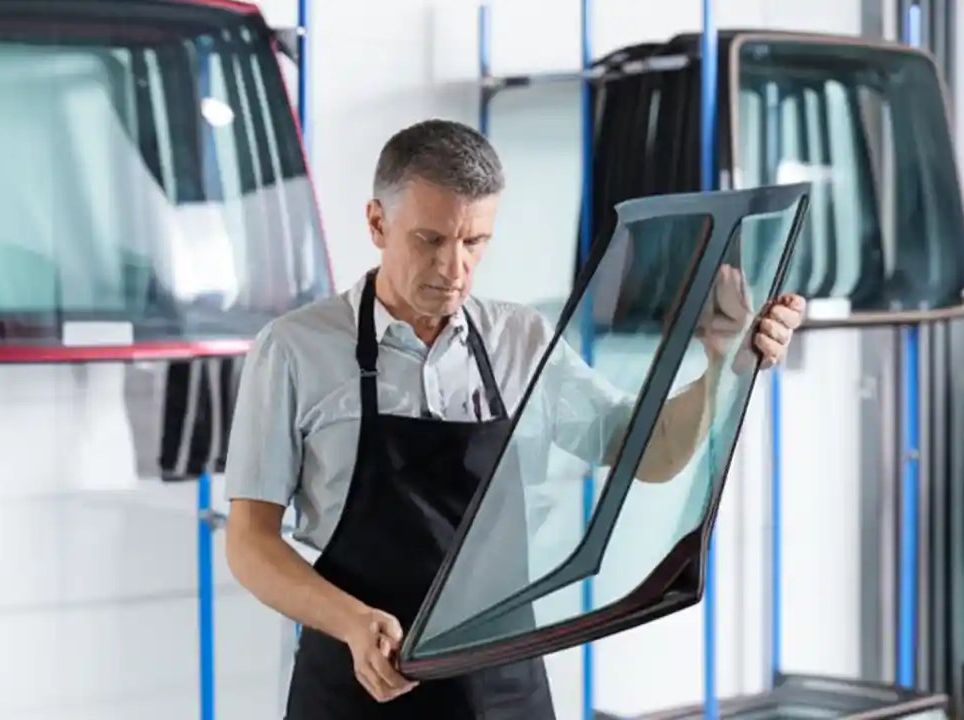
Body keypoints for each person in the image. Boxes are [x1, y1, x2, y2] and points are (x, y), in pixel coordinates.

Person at [223, 119, 806, 719]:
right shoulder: (294, 349)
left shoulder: (519, 339)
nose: (455, 268)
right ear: (377, 223)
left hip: (501, 686)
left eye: (475, 242)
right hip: (355, 679)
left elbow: (651, 451)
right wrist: (350, 622)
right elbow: (249, 542)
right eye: (431, 239)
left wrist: (722, 366)